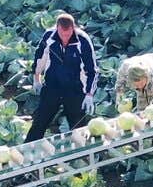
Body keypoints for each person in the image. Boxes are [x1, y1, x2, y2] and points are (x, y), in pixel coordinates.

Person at [26, 14, 99, 142]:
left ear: (73, 28)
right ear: (57, 28)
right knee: (40, 122)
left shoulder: (83, 40)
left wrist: (89, 94)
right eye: (62, 33)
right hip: (52, 86)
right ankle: (27, 152)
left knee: (78, 126)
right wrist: (36, 78)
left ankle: (82, 154)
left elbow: (92, 69)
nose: (65, 37)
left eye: (68, 34)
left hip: (75, 88)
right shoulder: (49, 36)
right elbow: (39, 57)